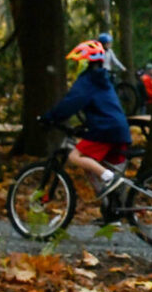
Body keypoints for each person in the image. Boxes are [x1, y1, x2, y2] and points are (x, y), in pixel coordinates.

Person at [42, 39, 133, 198]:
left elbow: (71, 103)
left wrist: (50, 117)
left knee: (74, 156)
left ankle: (109, 178)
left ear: (87, 62)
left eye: (80, 62)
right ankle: (112, 210)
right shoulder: (103, 80)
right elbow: (102, 107)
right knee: (93, 164)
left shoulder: (88, 81)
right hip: (117, 129)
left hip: (105, 130)